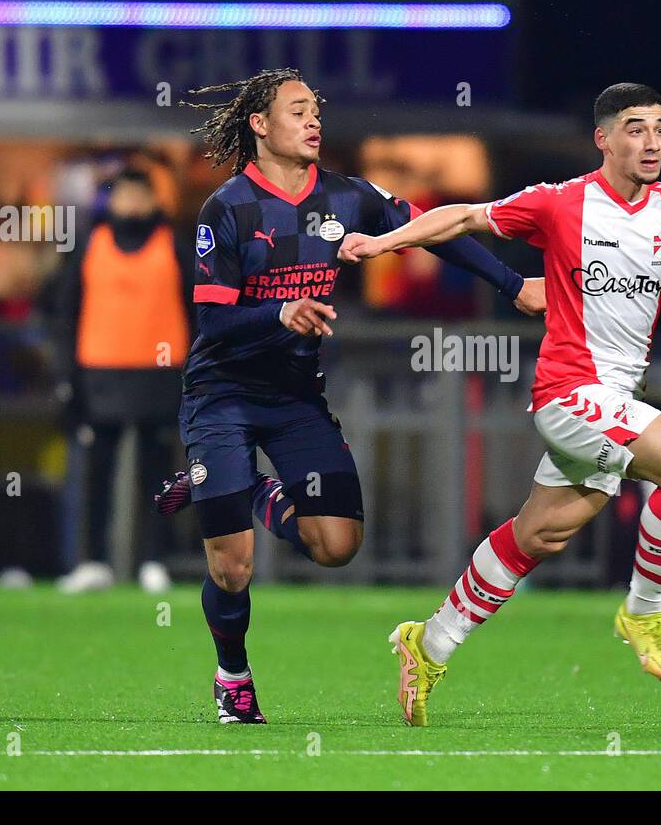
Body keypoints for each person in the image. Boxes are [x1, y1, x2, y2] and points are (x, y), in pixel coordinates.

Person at [339, 82, 661, 726]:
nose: (651, 142)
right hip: (569, 392)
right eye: (636, 128)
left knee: (541, 533)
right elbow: (465, 216)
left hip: (617, 401)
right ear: (604, 138)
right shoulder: (563, 204)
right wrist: (383, 243)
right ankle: (642, 613)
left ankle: (429, 642)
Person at [160, 68, 544, 723]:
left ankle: (247, 489)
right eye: (298, 110)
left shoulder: (347, 197)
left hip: (296, 400)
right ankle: (233, 676)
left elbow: (433, 230)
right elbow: (214, 322)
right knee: (233, 568)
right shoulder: (226, 208)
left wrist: (514, 285)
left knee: (337, 544)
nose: (314, 121)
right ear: (260, 125)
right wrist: (280, 312)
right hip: (222, 395)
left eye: (317, 110)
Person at [52, 169, 188, 595]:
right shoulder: (91, 247)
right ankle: (93, 561)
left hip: (160, 375)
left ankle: (153, 560)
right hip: (100, 376)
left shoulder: (176, 247)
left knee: (157, 475)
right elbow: (65, 310)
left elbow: (199, 308)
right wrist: (66, 375)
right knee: (96, 473)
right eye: (123, 195)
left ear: (153, 199)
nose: (131, 204)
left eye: (138, 195)